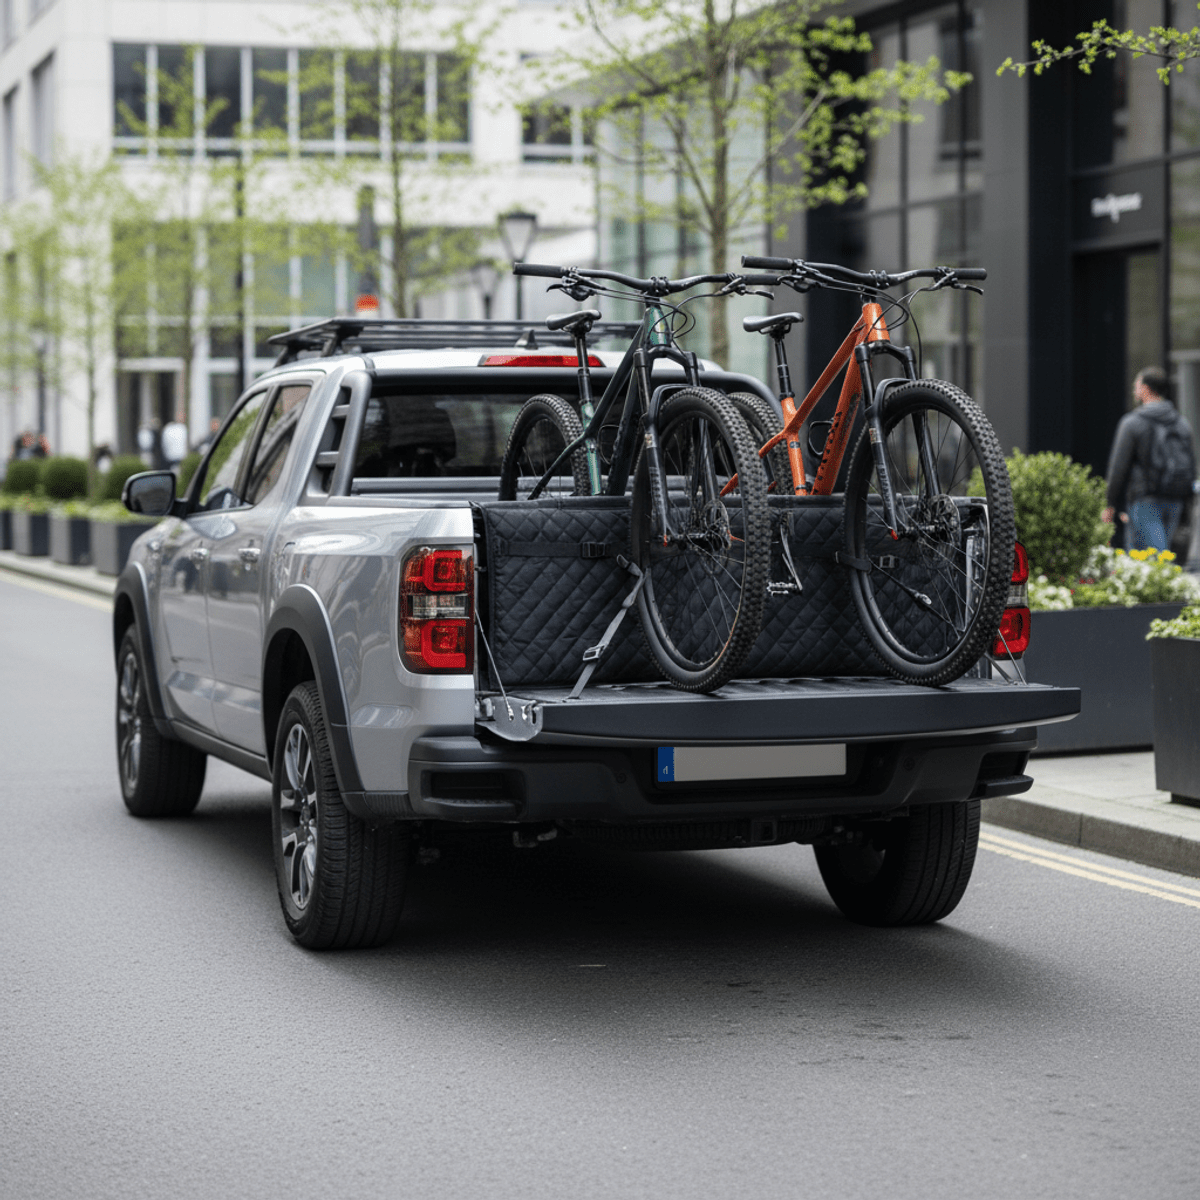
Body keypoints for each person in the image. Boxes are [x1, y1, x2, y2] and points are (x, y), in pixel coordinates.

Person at [1103, 366, 1196, 553]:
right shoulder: (1181, 422)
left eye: (1136, 385)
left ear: (1145, 389)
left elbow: (1118, 468)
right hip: (1175, 499)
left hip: (1145, 499)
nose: (1134, 390)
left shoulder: (1132, 422)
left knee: (1152, 558)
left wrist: (1109, 504)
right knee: (1162, 554)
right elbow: (1192, 463)